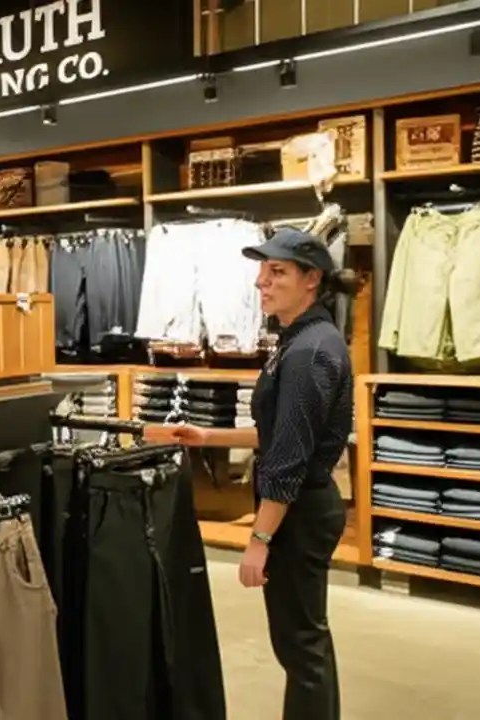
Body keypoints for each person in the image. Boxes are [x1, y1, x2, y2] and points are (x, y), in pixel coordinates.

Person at [175, 227, 355, 720]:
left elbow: (291, 455)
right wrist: (209, 438)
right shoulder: (300, 340)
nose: (261, 282)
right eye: (262, 270)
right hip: (300, 506)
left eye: (276, 272)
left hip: (298, 512)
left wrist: (259, 538)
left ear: (311, 279)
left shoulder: (309, 352)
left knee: (300, 646)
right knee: (305, 641)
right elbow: (280, 433)